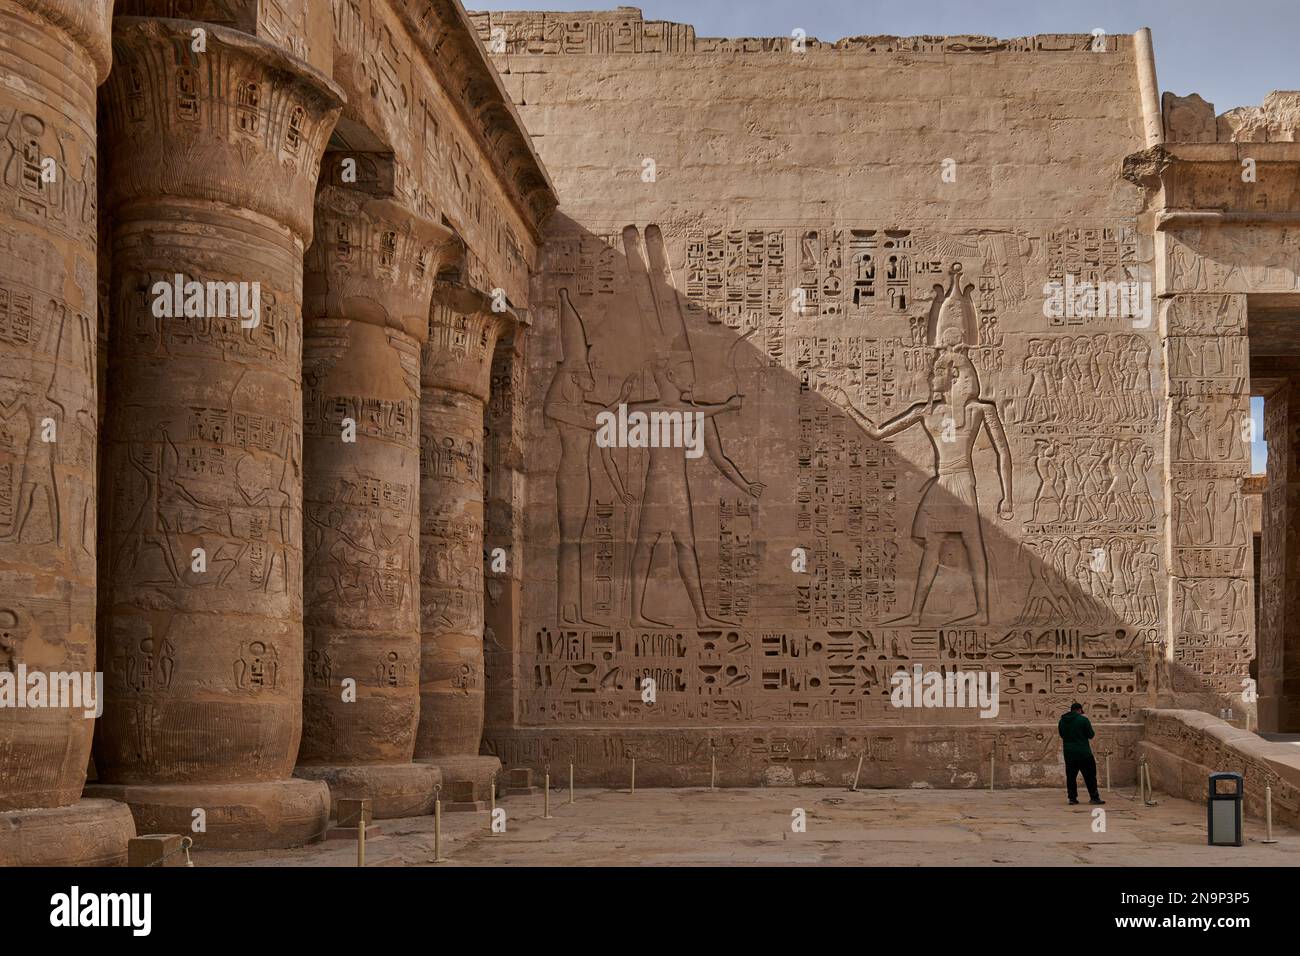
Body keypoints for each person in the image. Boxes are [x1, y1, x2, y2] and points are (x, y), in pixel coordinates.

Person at [1059, 702, 1104, 805]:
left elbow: (1062, 735)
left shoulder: (1062, 721)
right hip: (1084, 753)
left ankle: (1072, 798)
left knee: (1071, 777)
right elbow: (1091, 735)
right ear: (1079, 710)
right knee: (1090, 776)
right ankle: (1094, 797)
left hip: (1069, 753)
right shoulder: (1083, 720)